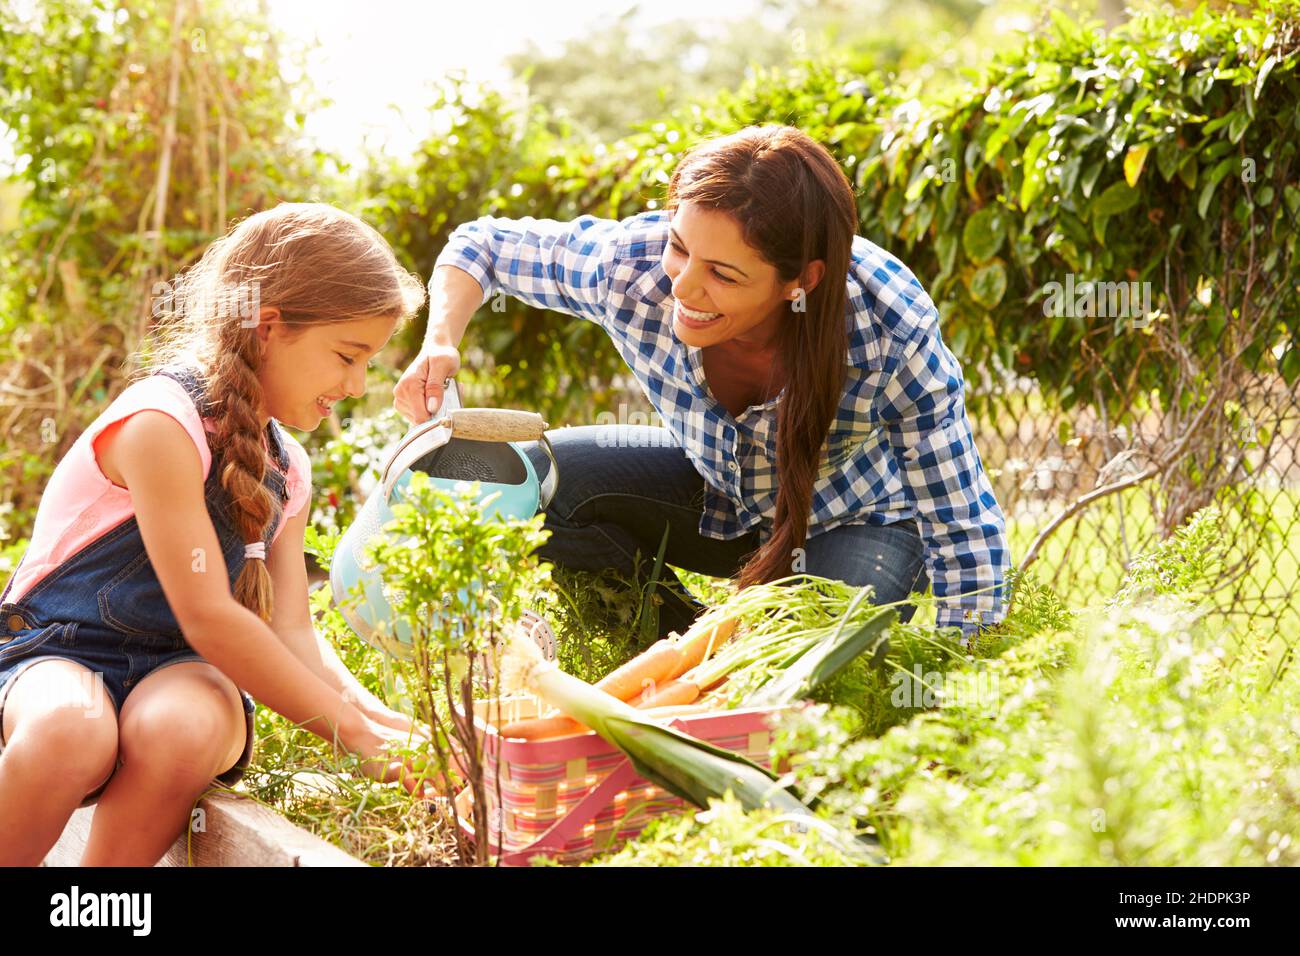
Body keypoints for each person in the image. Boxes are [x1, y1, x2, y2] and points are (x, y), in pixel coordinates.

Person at [394, 125, 1009, 644]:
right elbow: (482, 247)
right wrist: (440, 339)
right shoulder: (630, 269)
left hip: (856, 518)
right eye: (679, 247)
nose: (684, 287)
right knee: (526, 479)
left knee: (811, 664)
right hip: (718, 494)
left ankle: (756, 661)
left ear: (800, 280)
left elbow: (960, 522)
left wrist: (966, 676)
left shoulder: (888, 327)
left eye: (722, 273)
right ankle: (675, 649)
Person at [0, 203, 435, 867]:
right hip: (59, 654)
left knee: (183, 728)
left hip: (183, 675)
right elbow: (209, 615)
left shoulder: (288, 470)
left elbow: (292, 634)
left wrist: (389, 727)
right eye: (348, 356)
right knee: (71, 732)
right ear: (268, 328)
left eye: (368, 363)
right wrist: (353, 736)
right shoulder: (161, 424)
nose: (356, 384)